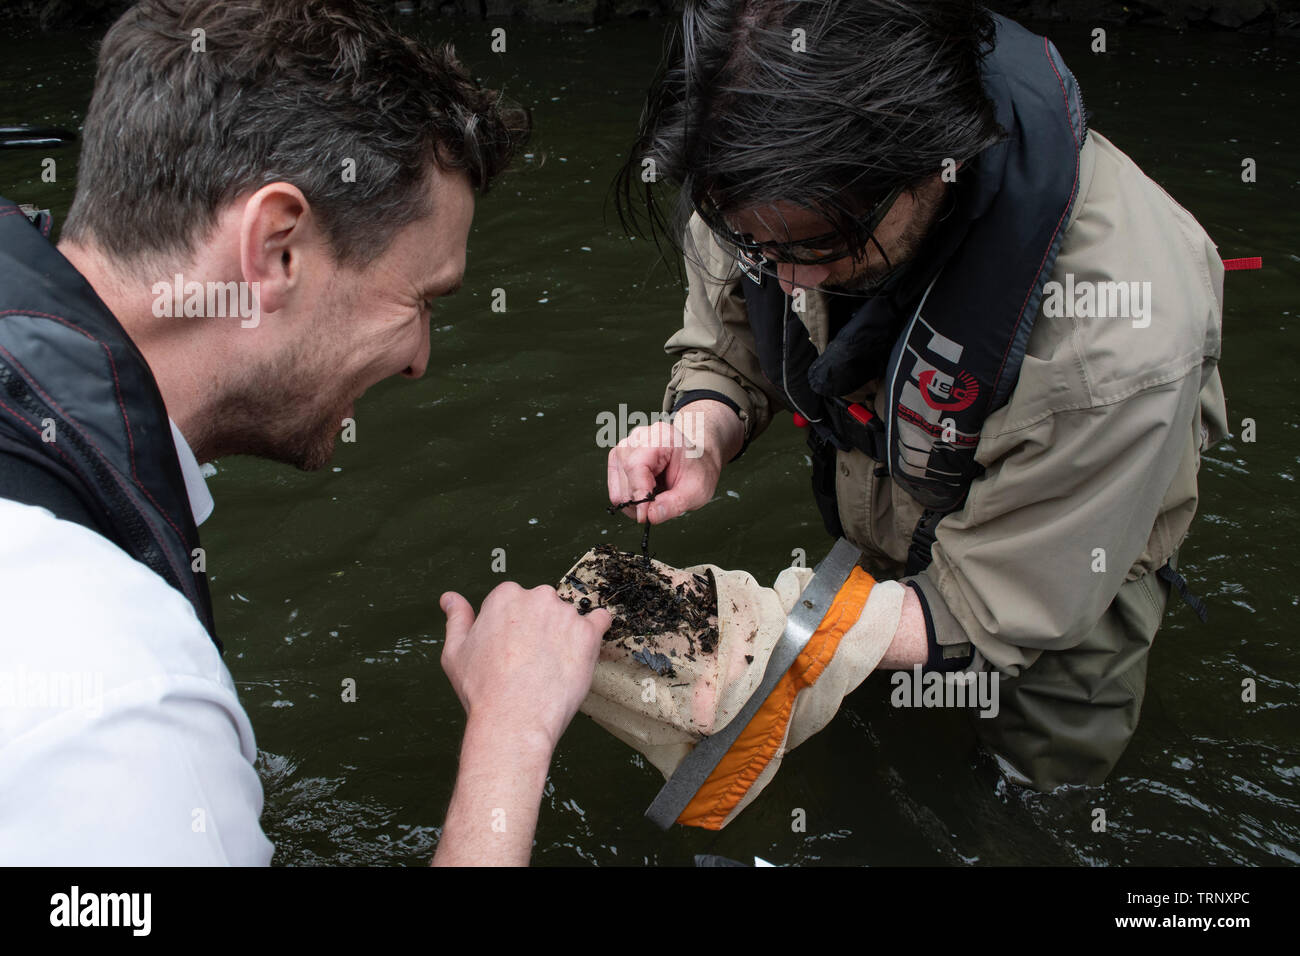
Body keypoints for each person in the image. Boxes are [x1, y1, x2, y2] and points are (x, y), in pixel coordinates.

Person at [0, 0, 609, 866]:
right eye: (422, 302)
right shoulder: (122, 692)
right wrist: (511, 734)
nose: (420, 362)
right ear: (277, 249)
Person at [607, 0, 1230, 791]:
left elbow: (1001, 604)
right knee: (874, 730)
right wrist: (703, 426)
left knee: (1038, 784)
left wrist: (769, 637)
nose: (782, 274)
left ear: (937, 161)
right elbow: (730, 333)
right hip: (894, 514)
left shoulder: (1115, 339)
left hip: (1059, 572)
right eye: (748, 241)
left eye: (817, 247)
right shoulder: (755, 167)